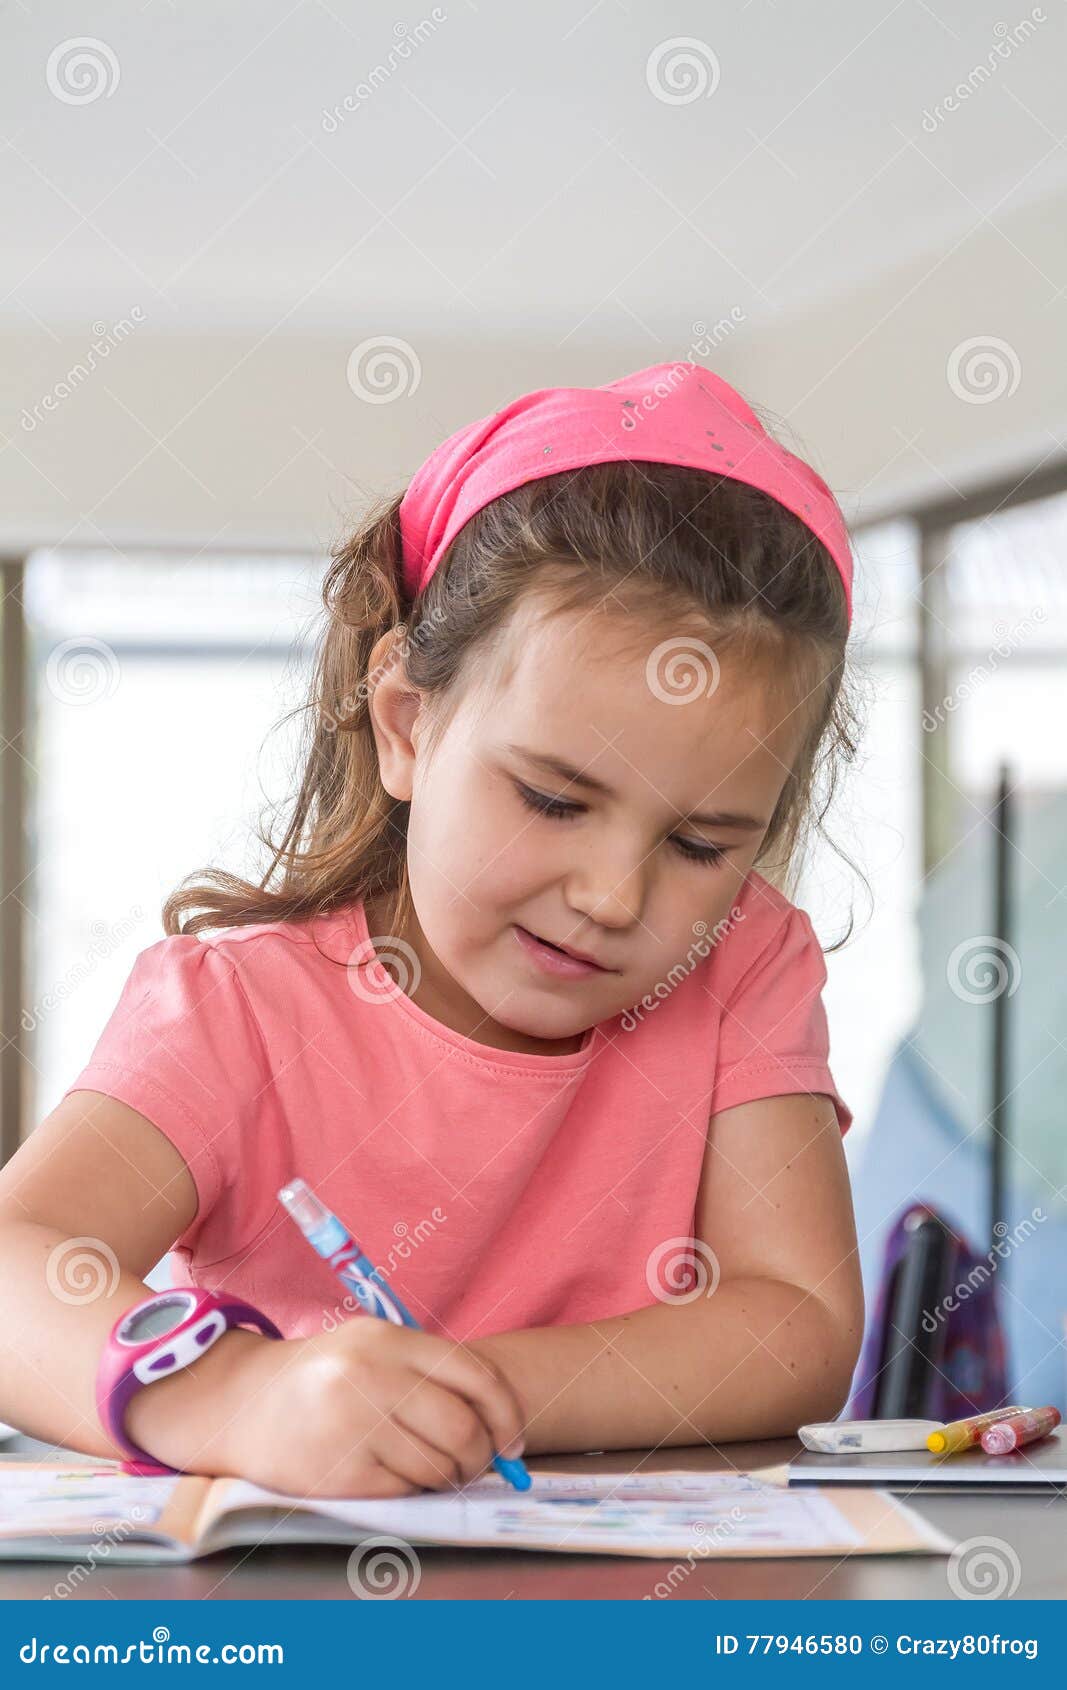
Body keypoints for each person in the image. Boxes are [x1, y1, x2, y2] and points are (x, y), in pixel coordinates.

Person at [0, 361, 865, 1499]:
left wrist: (464, 1387)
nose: (611, 896)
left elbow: (796, 1320)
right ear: (404, 724)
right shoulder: (236, 1009)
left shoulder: (741, 960)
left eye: (700, 845)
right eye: (553, 800)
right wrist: (241, 1395)